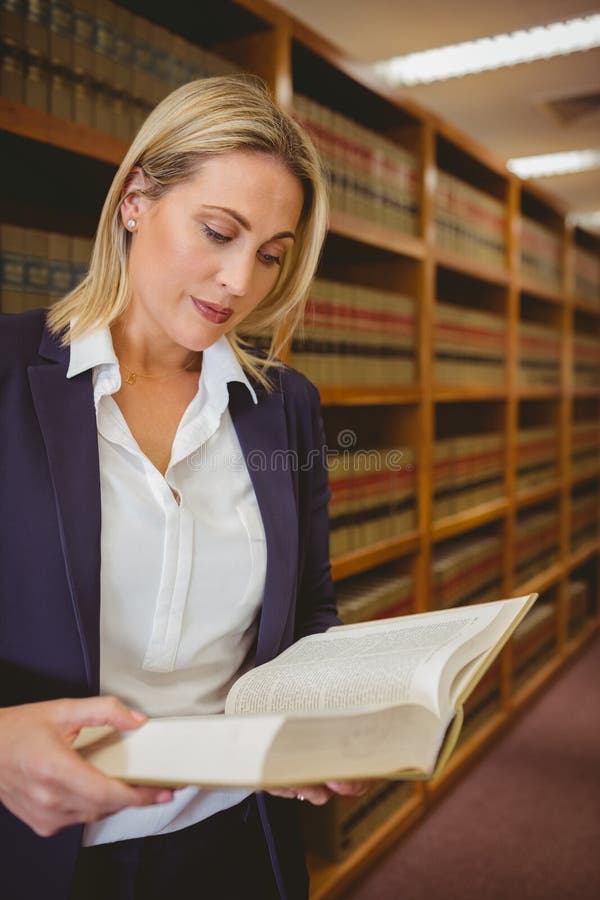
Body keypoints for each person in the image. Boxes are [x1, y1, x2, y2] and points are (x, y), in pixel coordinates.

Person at [0, 75, 367, 900]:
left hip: (238, 845)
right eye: (218, 231)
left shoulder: (287, 407)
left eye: (272, 255)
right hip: (38, 854)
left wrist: (329, 724)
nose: (241, 281)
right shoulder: (3, 374)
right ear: (135, 199)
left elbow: (308, 609)